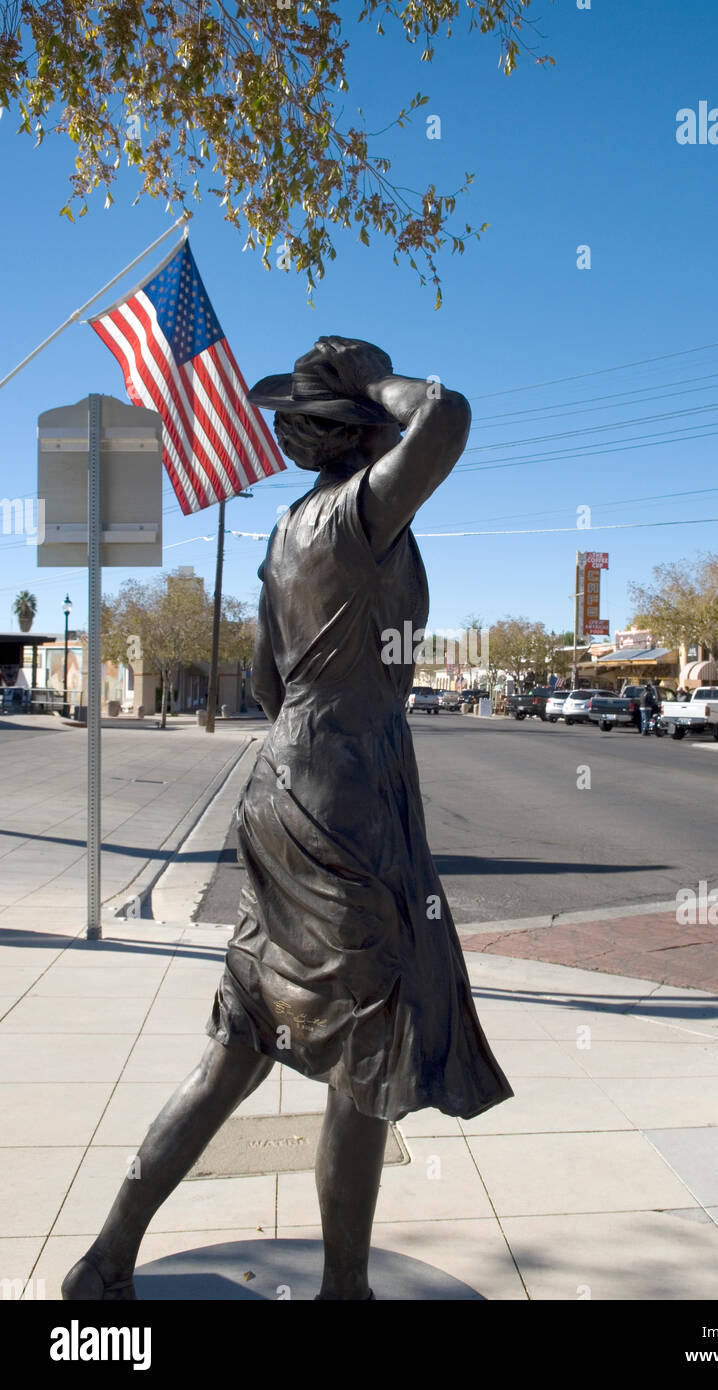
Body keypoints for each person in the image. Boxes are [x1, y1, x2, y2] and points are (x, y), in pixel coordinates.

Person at [61, 337, 513, 1303]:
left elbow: (270, 683)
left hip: (283, 788)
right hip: (350, 796)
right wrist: (377, 382)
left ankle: (105, 1260)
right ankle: (343, 1294)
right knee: (364, 1056)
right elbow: (451, 413)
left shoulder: (284, 533)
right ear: (364, 431)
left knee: (239, 1047)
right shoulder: (360, 513)